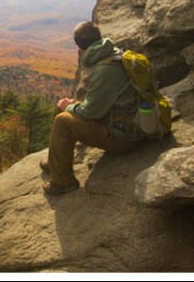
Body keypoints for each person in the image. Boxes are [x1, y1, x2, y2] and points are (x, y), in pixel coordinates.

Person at [41, 21, 143, 195]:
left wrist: (70, 107)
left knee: (62, 120)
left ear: (78, 44)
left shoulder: (106, 69)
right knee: (63, 108)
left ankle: (63, 182)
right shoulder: (113, 54)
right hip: (124, 120)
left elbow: (91, 111)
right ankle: (55, 163)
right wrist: (69, 106)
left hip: (123, 136)